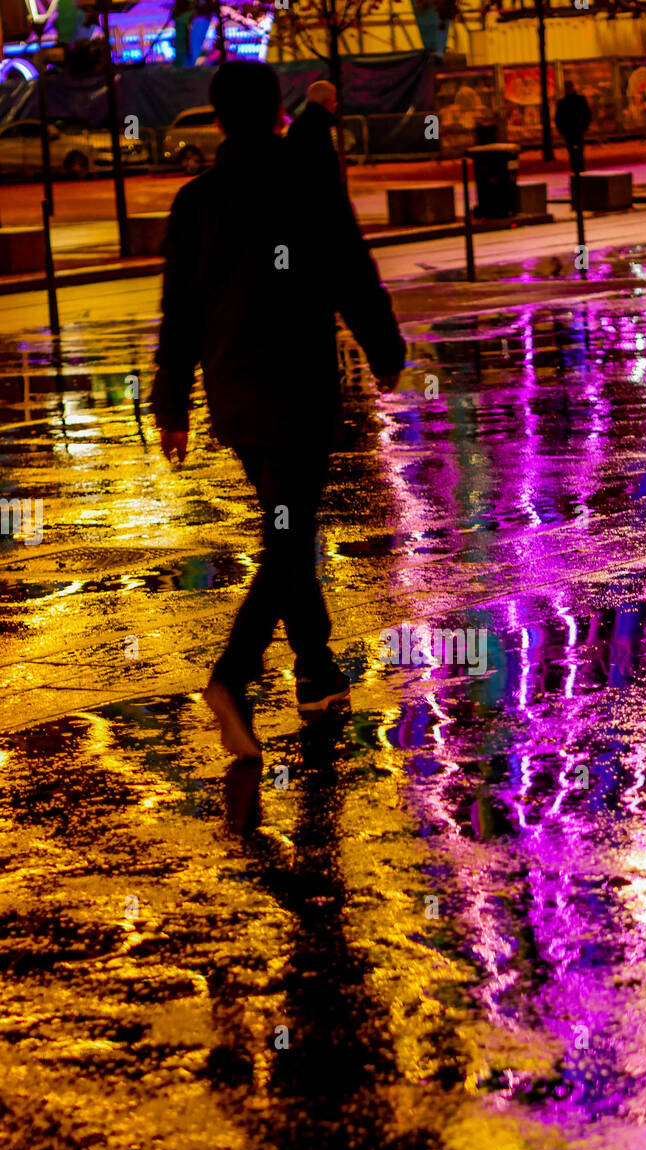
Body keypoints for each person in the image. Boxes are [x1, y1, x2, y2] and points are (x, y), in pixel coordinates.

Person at [151, 61, 406, 759]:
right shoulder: (305, 183)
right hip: (296, 388)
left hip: (234, 392)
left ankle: (318, 676)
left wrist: (171, 402)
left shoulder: (196, 201)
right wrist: (384, 347)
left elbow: (178, 313)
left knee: (287, 524)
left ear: (219, 118)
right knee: (289, 536)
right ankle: (232, 675)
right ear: (277, 114)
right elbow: (352, 270)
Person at [285, 79, 341, 184]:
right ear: (328, 102)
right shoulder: (320, 126)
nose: (335, 107)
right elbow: (326, 167)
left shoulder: (299, 124)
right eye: (335, 103)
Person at [554, 81, 592, 176]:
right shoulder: (577, 100)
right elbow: (586, 114)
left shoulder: (563, 102)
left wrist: (561, 129)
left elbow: (559, 117)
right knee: (575, 150)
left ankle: (577, 168)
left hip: (573, 129)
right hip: (573, 129)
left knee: (575, 150)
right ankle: (578, 169)